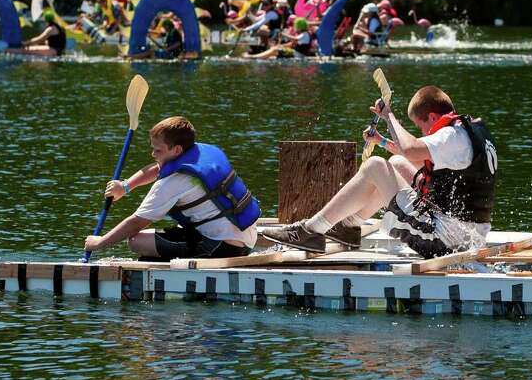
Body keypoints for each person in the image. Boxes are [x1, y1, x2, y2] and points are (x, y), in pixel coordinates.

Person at [261, 86, 498, 257]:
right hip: (467, 235)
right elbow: (420, 161)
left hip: (446, 241)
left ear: (433, 117)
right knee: (395, 162)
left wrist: (388, 116)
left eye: (420, 126)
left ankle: (310, 231)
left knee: (375, 165)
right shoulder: (468, 132)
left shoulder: (450, 136)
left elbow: (412, 148)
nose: (423, 133)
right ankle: (348, 227)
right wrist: (383, 141)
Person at [84, 116, 259, 261]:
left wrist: (99, 243)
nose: (153, 154)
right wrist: (125, 186)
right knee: (152, 248)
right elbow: (157, 167)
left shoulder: (173, 182)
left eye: (157, 150)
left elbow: (136, 222)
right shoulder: (197, 153)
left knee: (136, 241)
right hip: (244, 238)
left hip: (223, 247)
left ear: (176, 150)